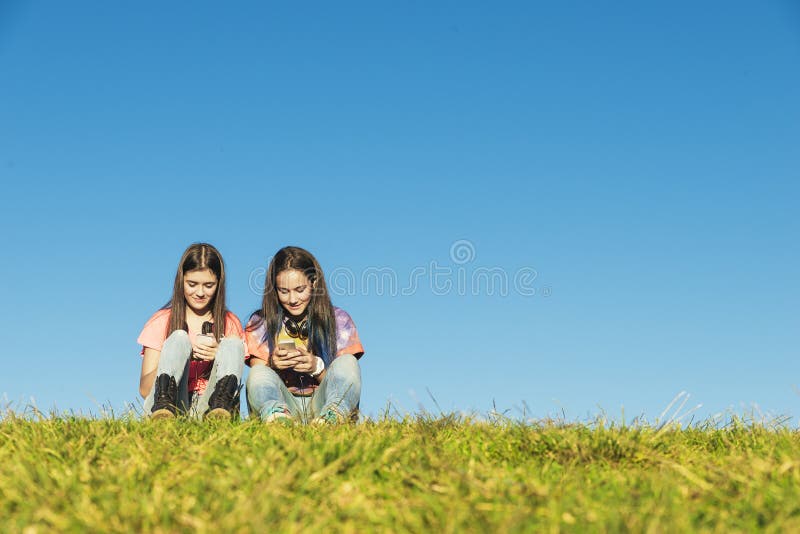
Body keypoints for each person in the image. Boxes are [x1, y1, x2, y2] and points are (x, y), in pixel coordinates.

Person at [245, 246, 364, 424]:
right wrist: (273, 364)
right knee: (258, 372)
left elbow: (345, 377)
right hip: (285, 403)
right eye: (284, 291)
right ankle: (277, 419)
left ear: (314, 283)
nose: (292, 299)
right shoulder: (260, 322)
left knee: (348, 362)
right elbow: (258, 376)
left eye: (300, 289)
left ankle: (332, 418)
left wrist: (317, 368)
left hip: (322, 402)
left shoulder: (339, 319)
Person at [137, 243, 246, 420]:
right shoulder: (162, 320)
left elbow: (236, 365)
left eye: (209, 285)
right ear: (182, 281)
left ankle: (220, 412)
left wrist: (221, 356)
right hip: (173, 403)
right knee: (179, 338)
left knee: (233, 343)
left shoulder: (230, 322)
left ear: (219, 284)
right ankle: (164, 409)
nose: (200, 292)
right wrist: (179, 357)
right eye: (192, 284)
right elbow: (144, 389)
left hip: (208, 404)